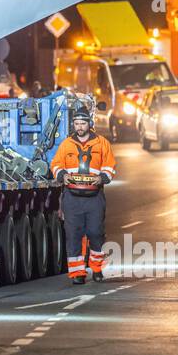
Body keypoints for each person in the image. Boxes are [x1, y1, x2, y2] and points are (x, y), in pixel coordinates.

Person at [50, 103, 117, 285]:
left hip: (94, 197)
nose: (79, 127)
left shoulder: (102, 143)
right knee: (73, 235)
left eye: (83, 123)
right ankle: (78, 274)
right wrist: (62, 175)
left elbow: (110, 165)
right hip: (72, 197)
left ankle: (97, 269)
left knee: (96, 233)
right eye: (77, 123)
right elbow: (55, 164)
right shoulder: (66, 145)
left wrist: (102, 178)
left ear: (89, 124)